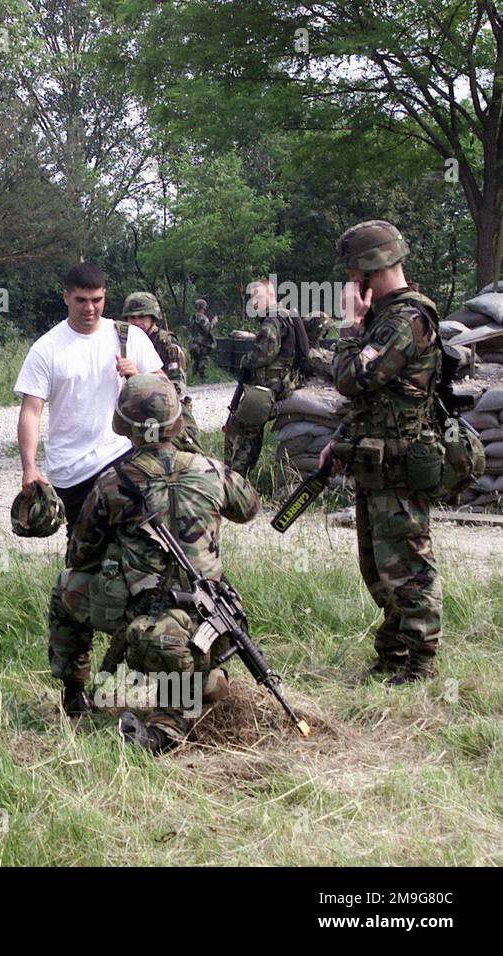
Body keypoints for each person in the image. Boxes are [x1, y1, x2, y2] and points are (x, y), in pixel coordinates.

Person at [47, 375, 259, 750]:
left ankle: (75, 693)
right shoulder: (211, 470)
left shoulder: (113, 483)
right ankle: (201, 681)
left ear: (123, 425)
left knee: (66, 587)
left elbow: (80, 556)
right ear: (177, 421)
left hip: (146, 616)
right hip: (211, 616)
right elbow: (249, 507)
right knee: (188, 669)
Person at [321, 221, 442, 685]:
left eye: (352, 271)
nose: (349, 281)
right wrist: (339, 438)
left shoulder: (405, 320)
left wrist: (350, 329)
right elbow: (372, 400)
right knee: (378, 568)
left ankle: (420, 662)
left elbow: (353, 377)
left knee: (408, 566)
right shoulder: (387, 317)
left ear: (367, 270)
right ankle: (392, 654)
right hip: (377, 461)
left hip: (400, 464)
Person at [14, 263, 162, 564]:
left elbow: (164, 390)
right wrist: (28, 467)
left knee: (139, 544)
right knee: (85, 556)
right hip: (72, 470)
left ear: (105, 296)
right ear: (66, 297)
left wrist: (138, 376)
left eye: (97, 300)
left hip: (121, 454)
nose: (90, 308)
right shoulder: (47, 348)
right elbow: (31, 411)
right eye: (81, 300)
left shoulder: (128, 336)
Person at [223, 279, 308, 476]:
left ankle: (235, 476)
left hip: (271, 386)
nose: (253, 302)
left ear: (270, 295)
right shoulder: (287, 316)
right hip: (285, 381)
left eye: (257, 296)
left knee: (242, 428)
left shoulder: (272, 320)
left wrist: (245, 360)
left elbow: (264, 354)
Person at [120, 291, 201, 452]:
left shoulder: (167, 345)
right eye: (132, 318)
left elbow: (176, 389)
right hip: (136, 414)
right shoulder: (125, 343)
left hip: (167, 414)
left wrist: (140, 378)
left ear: (153, 318)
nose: (136, 322)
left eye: (142, 317)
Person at [189, 298, 217, 381]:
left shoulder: (192, 317)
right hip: (202, 343)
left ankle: (193, 377)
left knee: (196, 360)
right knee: (203, 359)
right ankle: (202, 377)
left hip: (193, 342)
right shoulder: (203, 318)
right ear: (203, 307)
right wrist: (213, 323)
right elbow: (207, 328)